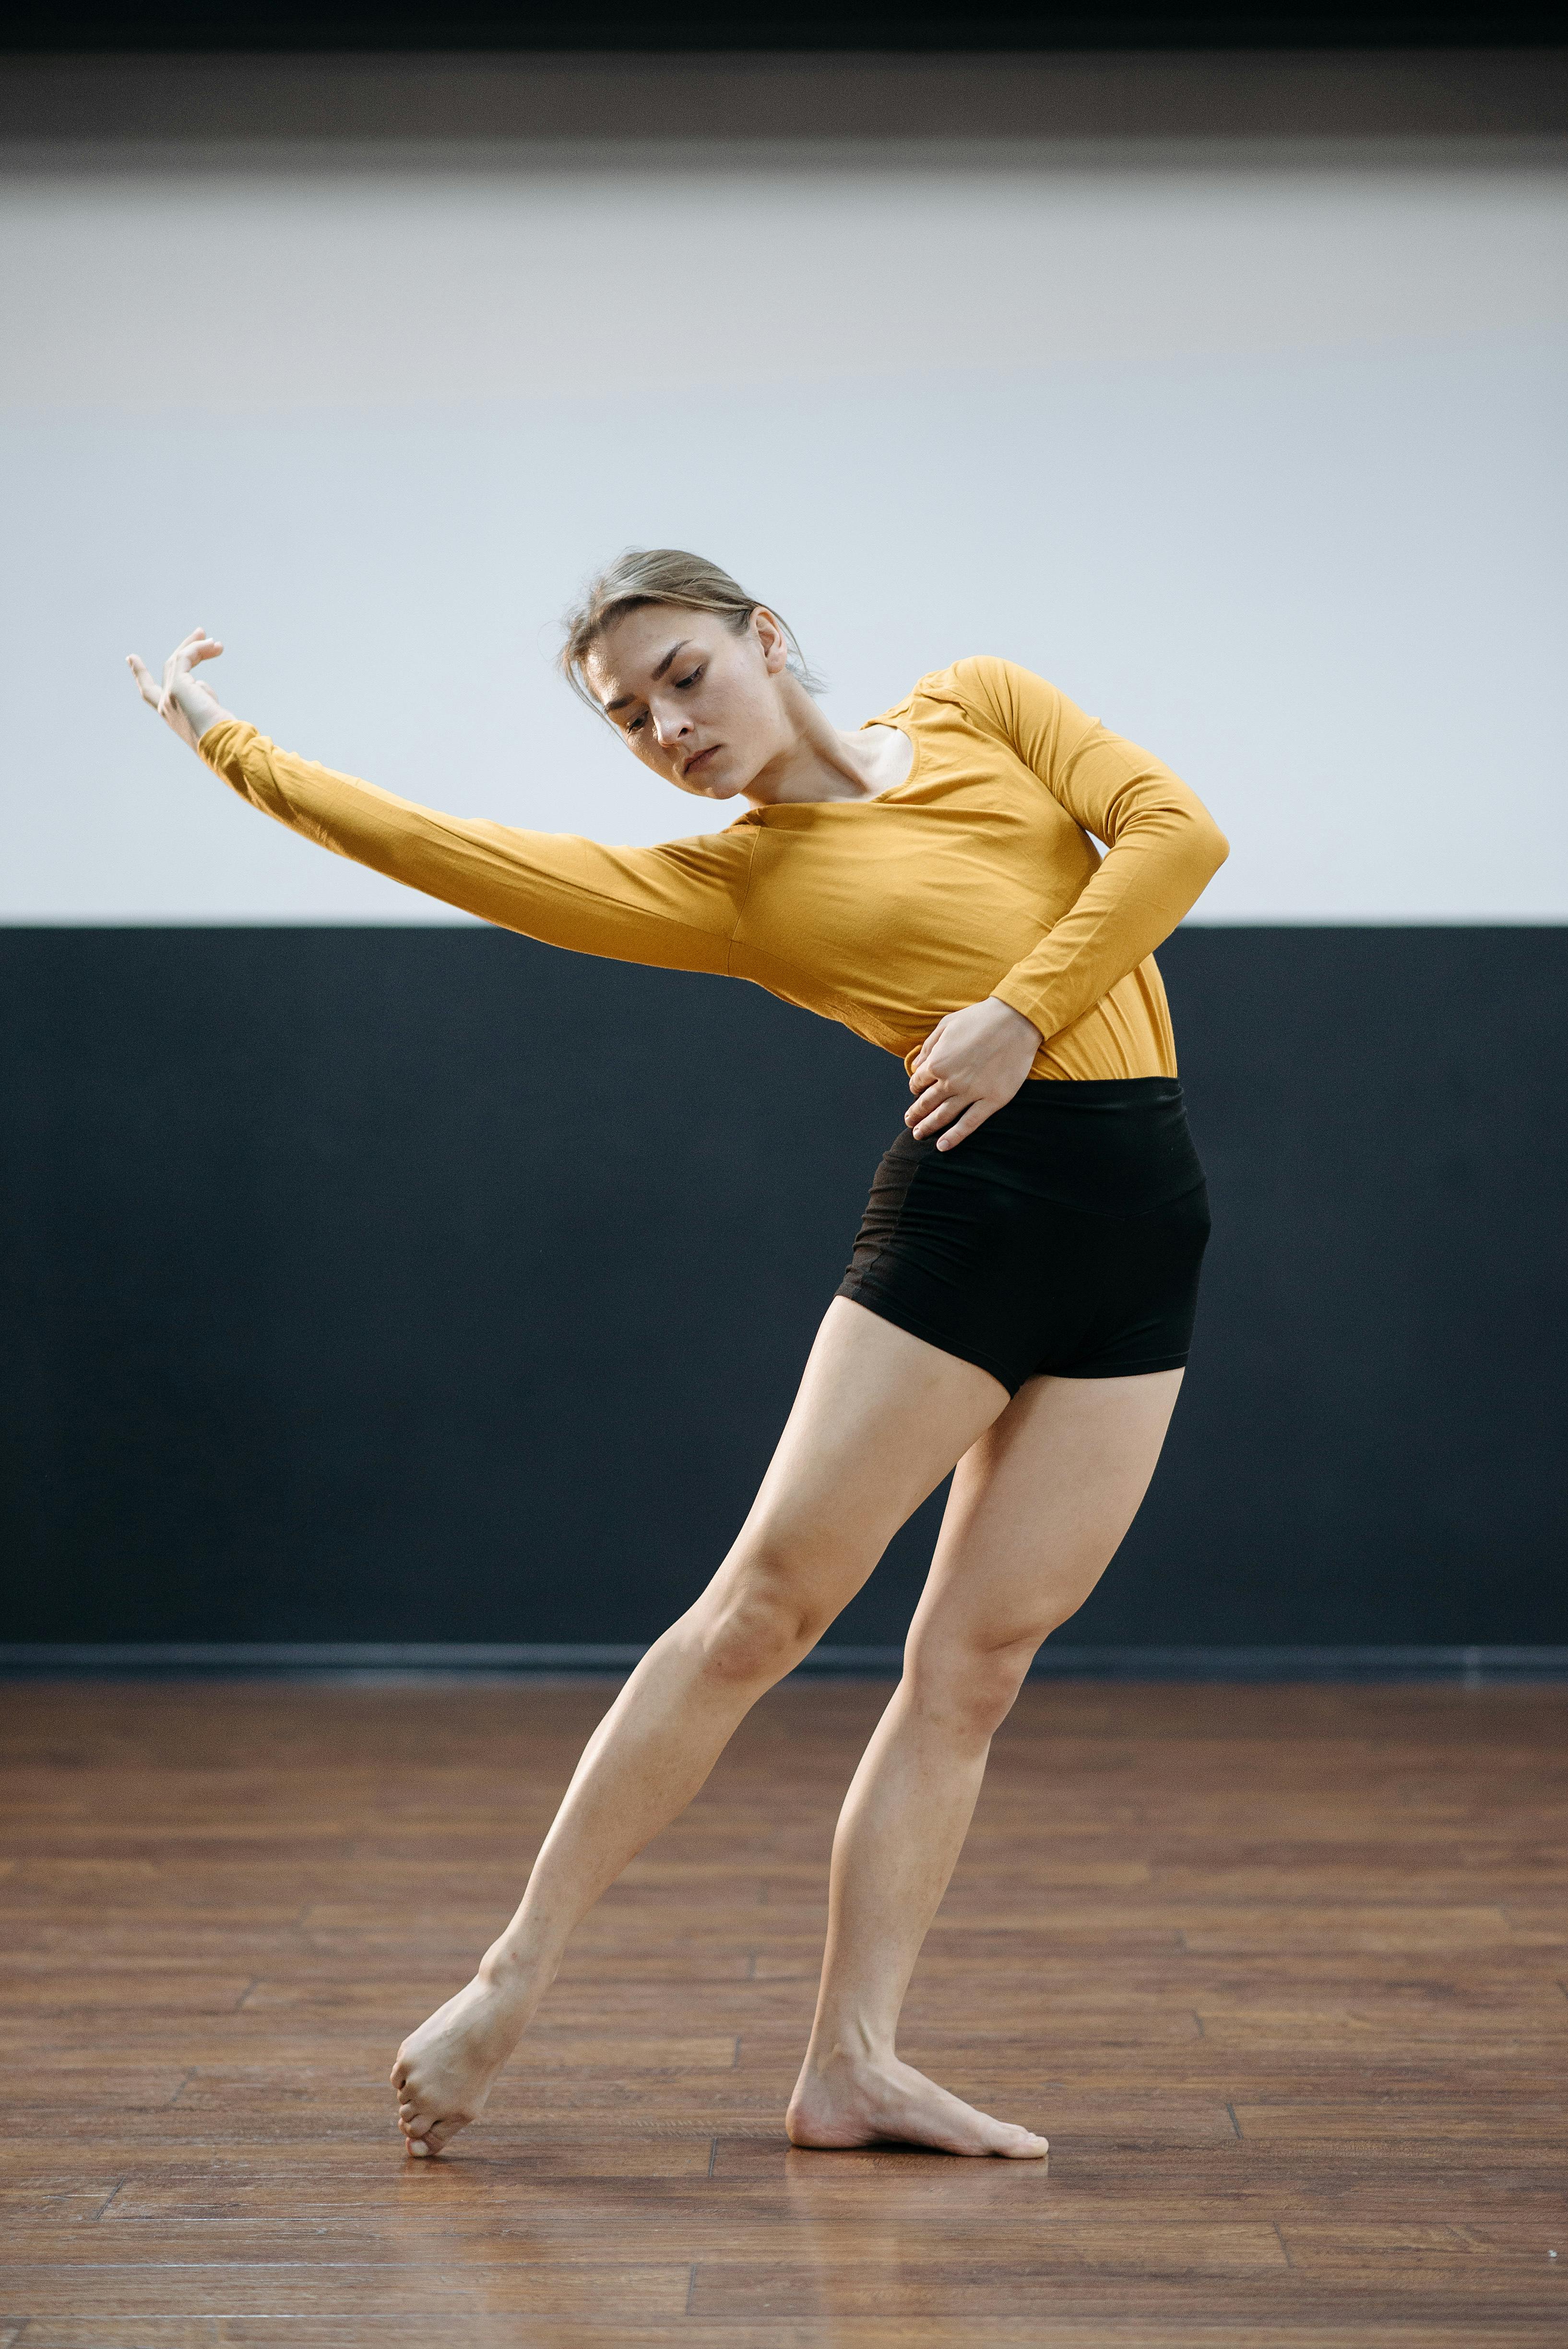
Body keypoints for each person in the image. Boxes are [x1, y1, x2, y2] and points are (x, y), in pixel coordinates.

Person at [128, 548, 1228, 2162]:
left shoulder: (981, 708)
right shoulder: (726, 889)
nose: (666, 726)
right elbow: (438, 849)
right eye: (628, 716)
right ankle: (510, 1978)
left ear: (762, 637)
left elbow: (1178, 835)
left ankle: (850, 2065)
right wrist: (222, 736)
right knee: (758, 1616)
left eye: (683, 678)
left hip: (1148, 1224)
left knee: (974, 1670)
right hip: (971, 1229)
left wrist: (1015, 1008)